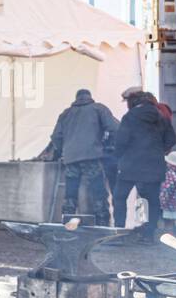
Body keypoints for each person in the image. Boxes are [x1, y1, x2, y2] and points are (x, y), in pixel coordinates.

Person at [40, 88, 118, 225]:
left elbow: (56, 137)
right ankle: (103, 223)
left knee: (70, 192)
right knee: (98, 191)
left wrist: (62, 151)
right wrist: (108, 144)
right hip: (92, 156)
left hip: (70, 158)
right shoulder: (99, 109)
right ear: (90, 97)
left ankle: (68, 221)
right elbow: (114, 128)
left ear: (76, 98)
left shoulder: (66, 113)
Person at [113, 90, 176, 243]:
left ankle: (119, 234)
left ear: (132, 102)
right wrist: (157, 150)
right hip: (154, 164)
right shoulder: (160, 116)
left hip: (130, 165)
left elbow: (121, 141)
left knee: (119, 197)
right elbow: (171, 139)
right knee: (150, 200)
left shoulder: (130, 117)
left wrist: (118, 156)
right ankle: (148, 235)